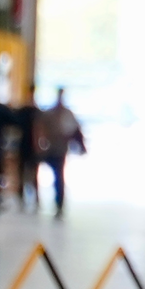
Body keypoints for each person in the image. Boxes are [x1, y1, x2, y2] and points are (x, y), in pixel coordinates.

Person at [32, 87, 85, 216]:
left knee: (59, 176)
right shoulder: (51, 113)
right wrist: (40, 144)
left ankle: (59, 204)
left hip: (60, 149)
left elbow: (75, 130)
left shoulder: (66, 114)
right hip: (51, 148)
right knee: (47, 174)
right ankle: (42, 200)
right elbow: (40, 128)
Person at [12, 90, 38, 210]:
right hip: (26, 145)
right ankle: (23, 197)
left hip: (30, 145)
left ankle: (31, 198)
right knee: (24, 172)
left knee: (31, 173)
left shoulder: (28, 112)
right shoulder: (28, 112)